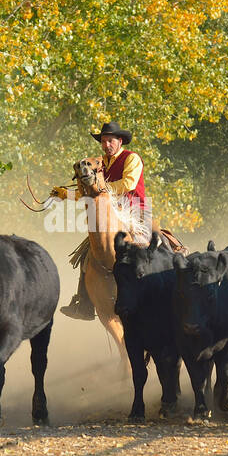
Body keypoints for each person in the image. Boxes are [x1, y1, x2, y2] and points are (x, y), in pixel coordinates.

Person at [54, 121, 146, 321]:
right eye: (103, 141)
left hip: (134, 214)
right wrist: (65, 194)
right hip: (108, 216)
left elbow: (128, 184)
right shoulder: (99, 164)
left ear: (119, 141)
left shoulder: (132, 159)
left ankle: (159, 290)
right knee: (88, 254)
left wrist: (101, 187)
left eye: (110, 141)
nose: (106, 145)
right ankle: (84, 303)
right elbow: (89, 192)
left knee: (148, 248)